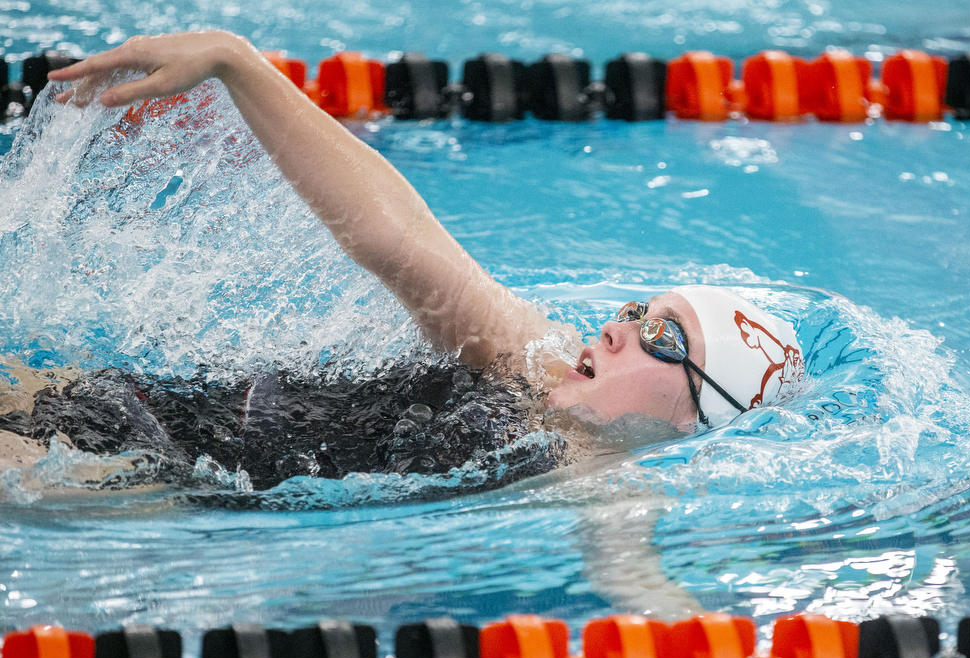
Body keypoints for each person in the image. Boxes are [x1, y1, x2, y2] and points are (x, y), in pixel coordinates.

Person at [0, 31, 804, 488]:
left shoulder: (591, 484)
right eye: (638, 310)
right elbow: (394, 241)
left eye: (664, 339)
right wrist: (234, 62)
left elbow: (644, 596)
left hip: (151, 483)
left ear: (699, 421)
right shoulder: (530, 358)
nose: (621, 329)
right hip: (147, 412)